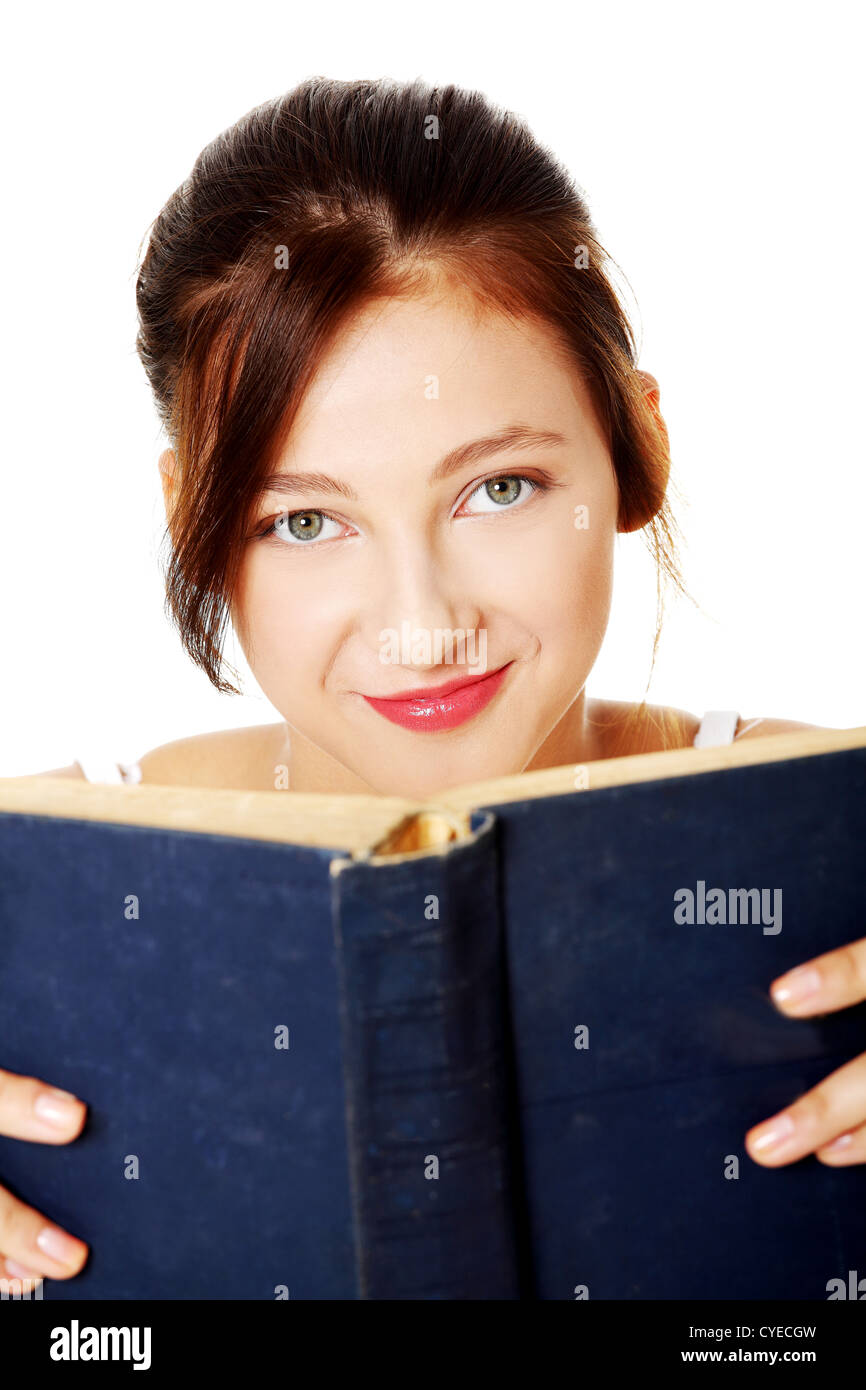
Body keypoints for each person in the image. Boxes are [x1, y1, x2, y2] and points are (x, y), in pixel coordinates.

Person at [5, 77, 863, 1294]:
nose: (422, 628)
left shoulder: (835, 837)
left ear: (635, 447)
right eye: (303, 519)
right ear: (189, 518)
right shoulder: (31, 879)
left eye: (496, 488)